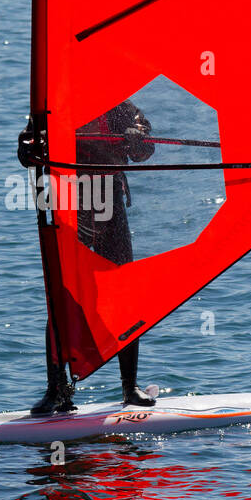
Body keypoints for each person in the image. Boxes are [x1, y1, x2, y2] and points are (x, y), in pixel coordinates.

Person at [18, 101, 157, 415]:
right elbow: (28, 144)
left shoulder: (116, 103)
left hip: (110, 204)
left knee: (123, 294)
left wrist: (138, 135)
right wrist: (27, 149)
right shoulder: (55, 102)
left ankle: (129, 387)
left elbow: (144, 150)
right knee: (63, 296)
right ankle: (58, 391)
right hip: (69, 204)